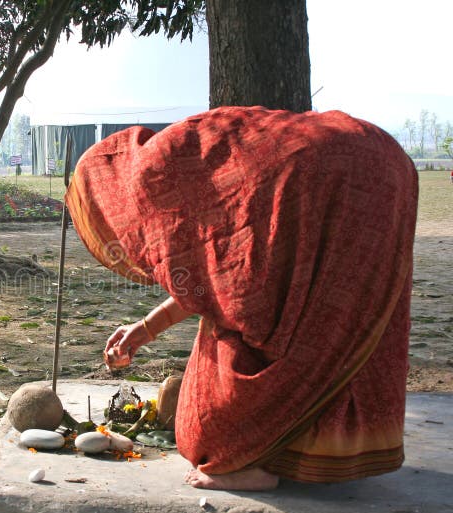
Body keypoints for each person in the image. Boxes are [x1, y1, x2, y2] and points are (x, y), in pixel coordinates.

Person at [65, 106, 418, 491]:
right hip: (383, 161)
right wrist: (145, 329)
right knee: (341, 310)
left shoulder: (169, 182)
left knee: (201, 434)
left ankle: (246, 463)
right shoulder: (197, 154)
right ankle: (316, 453)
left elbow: (218, 279)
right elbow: (213, 278)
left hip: (327, 167)